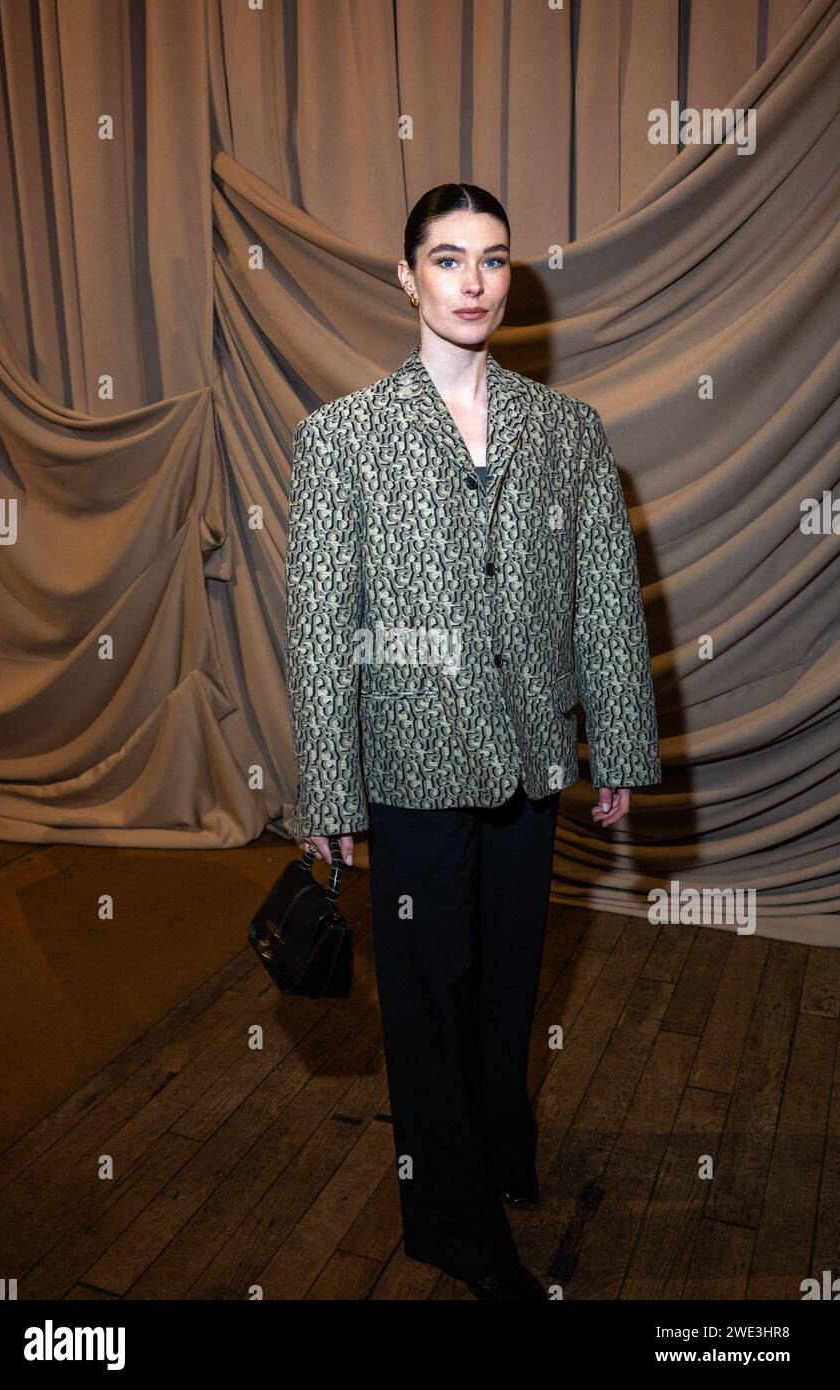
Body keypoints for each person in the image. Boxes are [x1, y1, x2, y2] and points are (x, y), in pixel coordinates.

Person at [284, 182, 661, 1300]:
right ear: (405, 276)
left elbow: (603, 594)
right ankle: (448, 1220)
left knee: (506, 984)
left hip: (528, 759)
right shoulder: (342, 437)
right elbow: (317, 625)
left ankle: (499, 1152)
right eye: (446, 260)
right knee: (426, 996)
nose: (472, 282)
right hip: (406, 768)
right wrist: (328, 790)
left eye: (491, 260)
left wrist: (619, 753)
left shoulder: (566, 430)